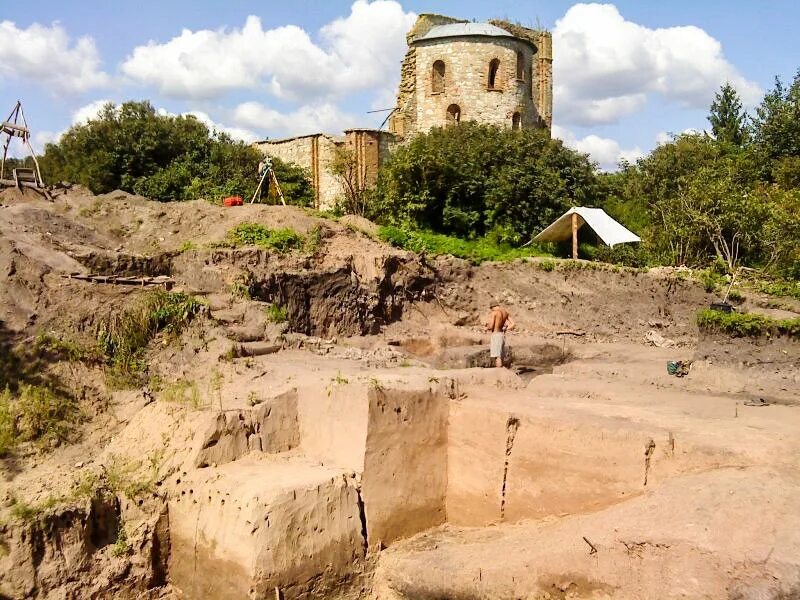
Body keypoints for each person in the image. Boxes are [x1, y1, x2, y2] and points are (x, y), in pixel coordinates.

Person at [485, 302, 514, 368]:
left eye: (491, 308)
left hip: (496, 335)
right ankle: (502, 372)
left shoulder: (494, 313)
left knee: (497, 356)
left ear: (493, 307)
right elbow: (513, 324)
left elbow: (491, 326)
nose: (491, 310)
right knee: (501, 355)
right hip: (502, 335)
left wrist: (486, 328)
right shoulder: (505, 312)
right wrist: (505, 329)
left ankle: (499, 373)